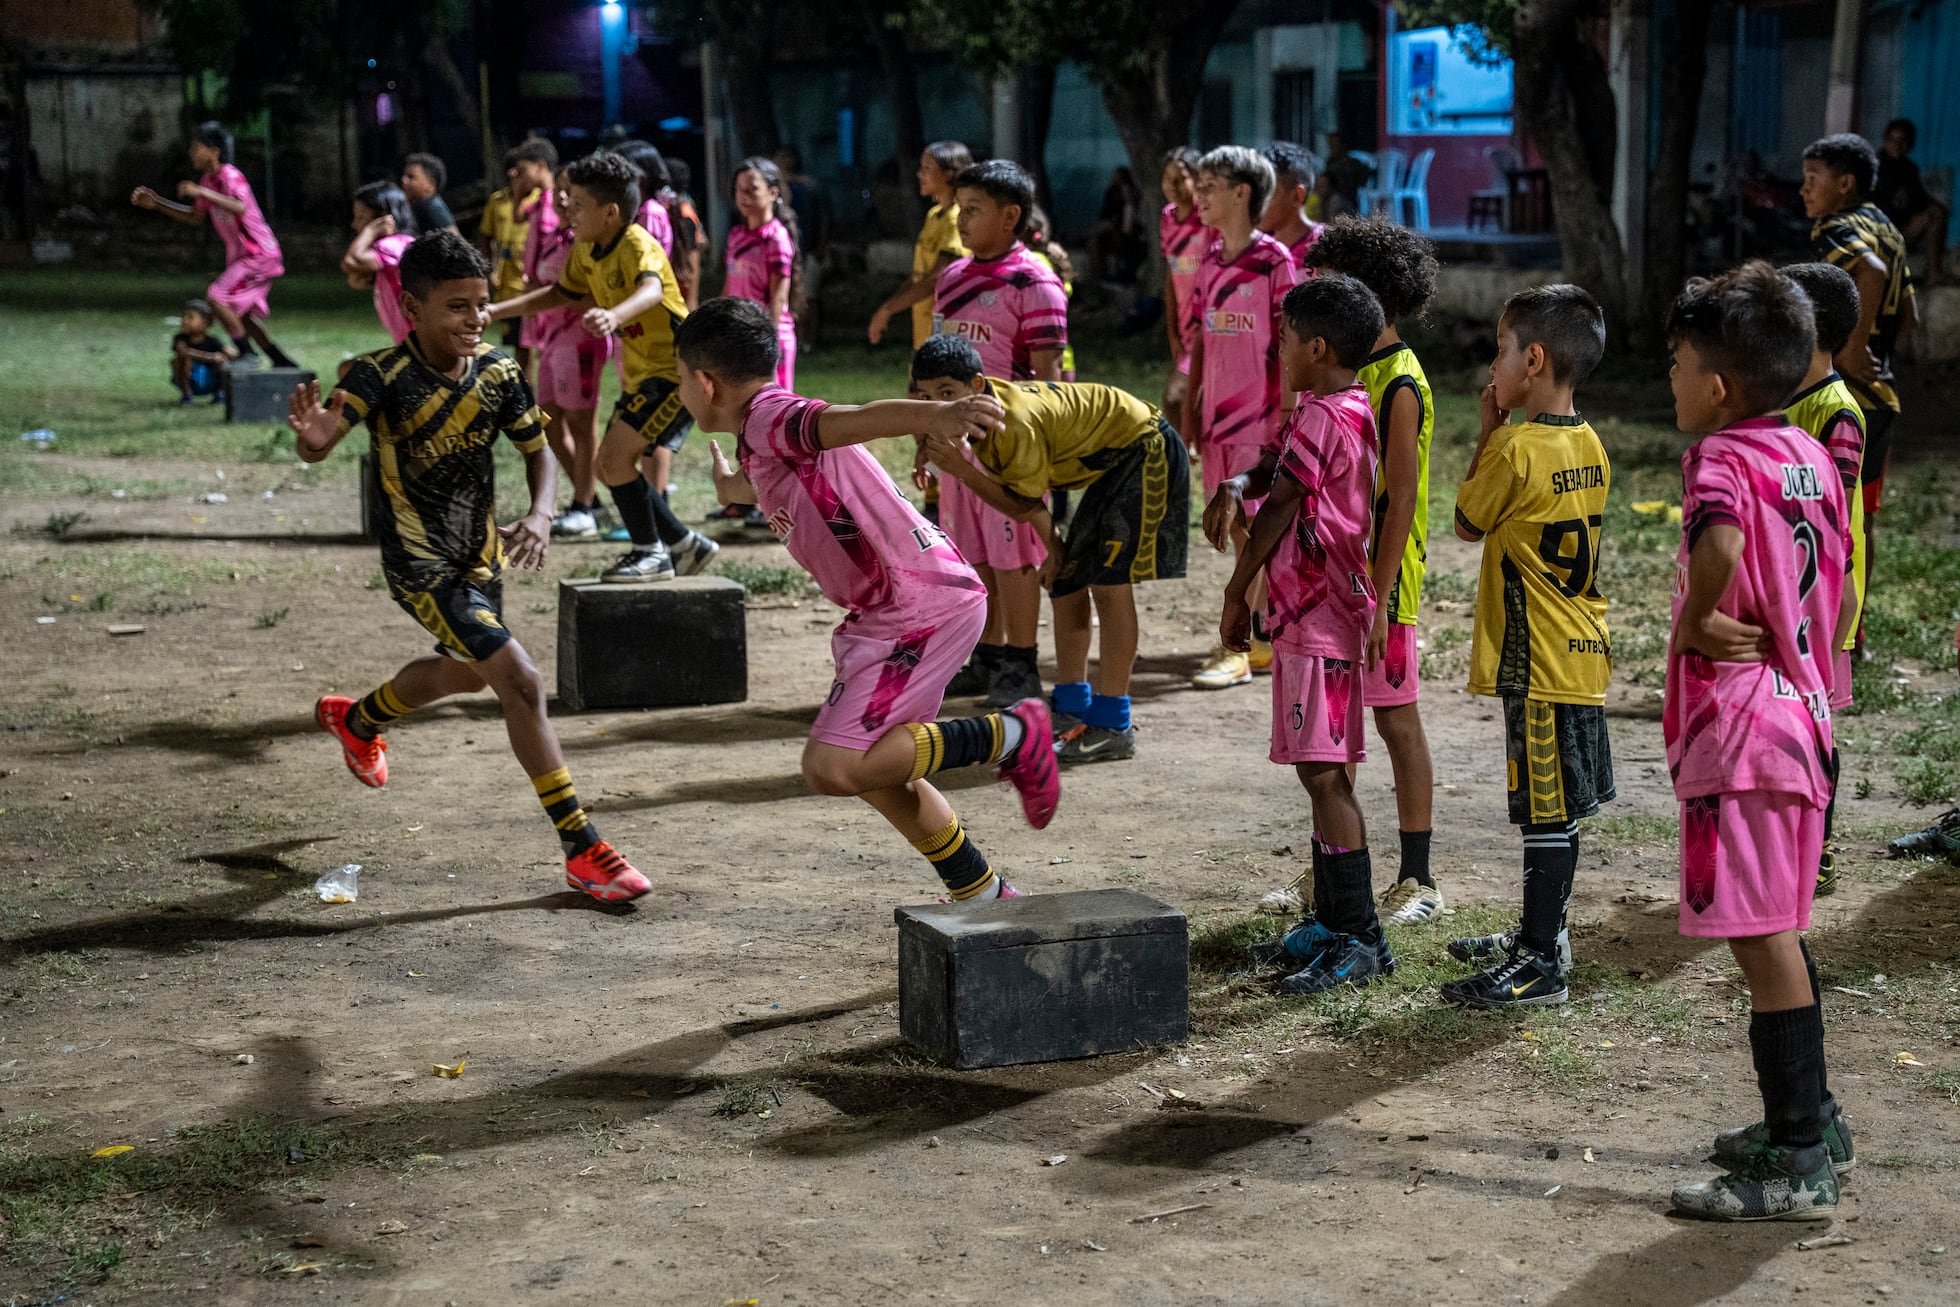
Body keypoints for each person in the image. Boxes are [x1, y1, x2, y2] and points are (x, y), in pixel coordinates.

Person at [288, 232, 649, 904]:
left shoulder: (499, 372)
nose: (475, 318)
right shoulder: (376, 375)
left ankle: (360, 720)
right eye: (457, 306)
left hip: (480, 561)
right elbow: (325, 436)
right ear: (411, 308)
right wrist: (313, 442)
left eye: (481, 304)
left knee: (465, 673)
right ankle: (583, 848)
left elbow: (539, 451)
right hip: (421, 567)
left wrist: (541, 513)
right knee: (521, 682)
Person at [677, 296, 1061, 905]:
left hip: (918, 607)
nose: (680, 392)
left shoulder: (770, 417)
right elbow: (773, 483)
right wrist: (731, 485)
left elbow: (852, 419)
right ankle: (983, 891)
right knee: (874, 763)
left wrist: (935, 415)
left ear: (705, 382)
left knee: (832, 766)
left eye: (679, 380)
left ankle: (1015, 732)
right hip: (904, 608)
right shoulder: (762, 436)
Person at [1662, 261, 1854, 1221]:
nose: (1671, 380)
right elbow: (1837, 584)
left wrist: (1700, 618)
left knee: (1762, 935)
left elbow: (1725, 542)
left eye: (1677, 365)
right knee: (1776, 926)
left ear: (1718, 386)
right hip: (1801, 718)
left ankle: (1797, 1161)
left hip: (1744, 731)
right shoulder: (1810, 453)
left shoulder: (1720, 457)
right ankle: (1815, 1119)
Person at [1214, 275, 1390, 994]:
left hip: (1320, 615)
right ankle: (1333, 920)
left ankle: (1360, 937)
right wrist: (1238, 487)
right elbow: (1280, 481)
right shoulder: (1343, 407)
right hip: (1316, 612)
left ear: (1317, 347)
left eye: (1284, 337)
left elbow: (1284, 501)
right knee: (1320, 769)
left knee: (1323, 771)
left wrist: (1236, 590)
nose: (1277, 347)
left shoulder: (1323, 417)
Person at [1444, 284, 1614, 1009]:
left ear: (1535, 359)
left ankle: (1541, 963)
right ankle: (1544, 934)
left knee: (1545, 810)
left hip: (1536, 656)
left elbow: (1465, 521)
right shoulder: (1591, 443)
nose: (1493, 365)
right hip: (1580, 647)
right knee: (1560, 804)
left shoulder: (1515, 448)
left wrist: (1489, 431)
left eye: (1501, 350)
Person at [910, 335, 1190, 764]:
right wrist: (1056, 551)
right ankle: (1072, 707)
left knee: (1109, 585)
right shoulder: (975, 414)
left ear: (977, 385)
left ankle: (1113, 724)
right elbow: (1031, 506)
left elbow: (1023, 505)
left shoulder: (1012, 424)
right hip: (1113, 462)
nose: (938, 407)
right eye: (927, 397)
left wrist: (960, 470)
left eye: (947, 393)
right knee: (1067, 582)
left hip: (1145, 448)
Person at [1291, 215, 1444, 927]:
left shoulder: (1399, 380)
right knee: (1331, 728)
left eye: (1327, 281)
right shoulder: (1334, 373)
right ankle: (1334, 867)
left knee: (1394, 719)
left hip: (1381, 584)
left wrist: (1379, 596)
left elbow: (1401, 496)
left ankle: (1418, 877)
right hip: (1331, 583)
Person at [488, 152, 719, 584]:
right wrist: (496, 310)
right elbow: (558, 293)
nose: (568, 211)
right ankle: (685, 544)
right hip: (644, 377)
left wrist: (614, 316)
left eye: (577, 204)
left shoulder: (636, 244)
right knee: (609, 465)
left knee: (613, 462)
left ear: (610, 213)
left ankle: (651, 553)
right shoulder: (586, 250)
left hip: (677, 374)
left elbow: (651, 291)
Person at [930, 159, 1069, 709]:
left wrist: (1041, 452)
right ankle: (987, 657)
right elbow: (935, 366)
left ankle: (1022, 662)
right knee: (973, 553)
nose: (961, 220)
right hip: (956, 446)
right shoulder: (951, 279)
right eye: (959, 209)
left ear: (1010, 216)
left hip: (1011, 448)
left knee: (1015, 557)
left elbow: (1050, 382)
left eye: (973, 209)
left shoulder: (1035, 282)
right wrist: (926, 433)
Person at [1186, 145, 1300, 691]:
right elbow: (1200, 342)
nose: (1199, 195)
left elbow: (1290, 344)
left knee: (1256, 530)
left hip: (1260, 424)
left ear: (1241, 193)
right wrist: (1191, 407)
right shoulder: (1208, 261)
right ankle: (1261, 636)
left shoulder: (1275, 261)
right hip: (1216, 425)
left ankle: (1242, 645)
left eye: (1210, 186)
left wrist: (1288, 415)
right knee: (1235, 529)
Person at [1801, 132, 1916, 652]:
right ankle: (1856, 631)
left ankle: (1825, 628)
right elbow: (1910, 313)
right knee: (1860, 521)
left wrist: (1851, 350)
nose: (1804, 190)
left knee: (1821, 513)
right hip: (1882, 399)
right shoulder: (1886, 227)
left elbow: (1870, 271)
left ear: (1845, 184)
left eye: (1813, 179)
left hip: (1843, 401)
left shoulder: (1835, 228)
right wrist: (1883, 358)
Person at [1781, 262, 1867, 900]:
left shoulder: (1836, 412)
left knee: (1814, 724)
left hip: (1822, 599)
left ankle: (1820, 851)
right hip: (1788, 595)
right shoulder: (1788, 402)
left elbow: (1832, 519)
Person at [130, 121, 294, 368]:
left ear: (214, 152)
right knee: (242, 316)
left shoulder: (230, 175)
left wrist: (202, 193)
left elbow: (239, 206)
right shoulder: (208, 181)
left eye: (197, 148)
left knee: (217, 296)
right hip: (244, 257)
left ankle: (247, 354)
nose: (192, 153)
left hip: (258, 253)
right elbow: (195, 217)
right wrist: (158, 204)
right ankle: (282, 361)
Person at [522, 166, 615, 539]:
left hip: (580, 339)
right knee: (546, 419)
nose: (561, 199)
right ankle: (589, 498)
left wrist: (553, 298)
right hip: (552, 339)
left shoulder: (587, 244)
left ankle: (583, 506)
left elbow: (597, 296)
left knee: (581, 422)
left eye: (569, 193)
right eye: (559, 191)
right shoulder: (554, 238)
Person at [869, 141, 970, 350]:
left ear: (949, 174)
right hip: (926, 329)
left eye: (927, 168)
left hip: (949, 329)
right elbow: (920, 275)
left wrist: (888, 311)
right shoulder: (934, 215)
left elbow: (938, 277)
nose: (920, 174)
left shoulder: (958, 219)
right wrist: (889, 306)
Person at [478, 137, 557, 375]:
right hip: (516, 286)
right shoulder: (524, 202)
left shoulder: (552, 202)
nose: (515, 175)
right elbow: (511, 221)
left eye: (521, 170)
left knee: (547, 349)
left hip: (544, 288)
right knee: (522, 345)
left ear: (540, 167)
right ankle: (527, 390)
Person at [724, 155, 802, 389]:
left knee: (771, 407)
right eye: (739, 190)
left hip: (768, 338)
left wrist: (766, 340)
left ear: (773, 193)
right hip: (741, 335)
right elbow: (729, 287)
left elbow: (778, 297)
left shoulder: (776, 238)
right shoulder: (736, 236)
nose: (744, 196)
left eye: (752, 189)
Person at [1159, 147, 1207, 417]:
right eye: (1167, 179)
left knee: (1176, 398)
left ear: (1198, 178)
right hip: (1185, 331)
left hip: (1209, 329)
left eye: (1180, 179)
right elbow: (1171, 276)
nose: (1172, 185)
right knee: (1180, 404)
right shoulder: (1168, 218)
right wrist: (1172, 332)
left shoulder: (1209, 218)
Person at [341, 180, 417, 344]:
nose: (354, 224)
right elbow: (355, 280)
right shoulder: (403, 244)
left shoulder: (392, 246)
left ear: (383, 218)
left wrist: (370, 231)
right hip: (412, 340)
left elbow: (351, 261)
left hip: (418, 341)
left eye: (361, 217)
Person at [1875, 118, 1948, 282]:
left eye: (1902, 141)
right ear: (1885, 141)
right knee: (1931, 214)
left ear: (1909, 144)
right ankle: (1932, 273)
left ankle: (1933, 272)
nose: (1896, 145)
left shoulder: (1908, 168)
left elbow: (1920, 200)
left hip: (1904, 227)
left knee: (1937, 211)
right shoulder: (1877, 167)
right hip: (1883, 232)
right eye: (1892, 140)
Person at [1262, 142, 1323, 270]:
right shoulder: (1254, 249)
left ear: (1298, 195)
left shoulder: (1328, 248)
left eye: (1267, 193)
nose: (1257, 202)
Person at [611, 139, 676, 259]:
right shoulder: (646, 209)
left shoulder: (649, 213)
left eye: (623, 175)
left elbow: (643, 259)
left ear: (640, 178)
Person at [1087, 166, 1146, 284]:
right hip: (1118, 235)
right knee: (1094, 241)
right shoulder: (1117, 201)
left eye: (1127, 191)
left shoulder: (1135, 207)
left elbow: (1130, 229)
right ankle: (1099, 275)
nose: (1125, 194)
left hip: (1130, 239)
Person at [170, 298, 234, 405]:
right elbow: (183, 352)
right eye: (184, 317)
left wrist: (230, 353)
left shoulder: (213, 341)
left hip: (210, 380)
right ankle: (187, 394)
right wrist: (211, 357)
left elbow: (229, 352)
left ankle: (219, 392)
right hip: (188, 379)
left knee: (223, 360)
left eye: (190, 317)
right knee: (179, 360)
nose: (184, 320)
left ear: (205, 323)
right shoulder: (180, 339)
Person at [664, 159, 709, 309]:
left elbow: (692, 257)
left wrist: (691, 302)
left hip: (681, 293)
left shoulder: (683, 213)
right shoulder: (684, 205)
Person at [401, 152, 458, 235]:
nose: (403, 180)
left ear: (431, 184)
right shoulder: (420, 207)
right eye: (404, 175)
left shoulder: (434, 209)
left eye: (411, 177)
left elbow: (454, 239)